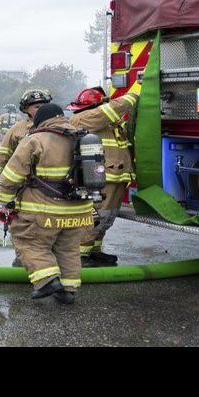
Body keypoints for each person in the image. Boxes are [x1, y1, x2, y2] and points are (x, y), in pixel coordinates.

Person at [0, 104, 95, 305]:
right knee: (68, 249)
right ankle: (68, 290)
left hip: (44, 210)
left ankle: (46, 281)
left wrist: (6, 199)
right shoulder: (83, 138)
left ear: (40, 120)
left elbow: (11, 176)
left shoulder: (35, 140)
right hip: (80, 211)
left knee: (30, 242)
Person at [68, 87, 139, 267]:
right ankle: (81, 255)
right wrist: (135, 95)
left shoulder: (105, 124)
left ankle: (95, 251)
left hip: (114, 176)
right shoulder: (82, 118)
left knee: (107, 216)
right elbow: (110, 110)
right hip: (100, 179)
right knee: (96, 216)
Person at [0, 91, 53, 181]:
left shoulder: (55, 125)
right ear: (26, 109)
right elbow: (4, 150)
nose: (41, 109)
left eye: (43, 106)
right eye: (37, 107)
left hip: (51, 178)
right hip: (25, 177)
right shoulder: (17, 128)